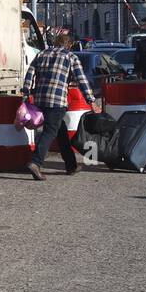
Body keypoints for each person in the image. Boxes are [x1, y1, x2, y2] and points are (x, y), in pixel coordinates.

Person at [21, 33, 97, 181]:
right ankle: (36, 162)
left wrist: (26, 94)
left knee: (60, 130)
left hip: (40, 99)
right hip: (57, 101)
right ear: (69, 45)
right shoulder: (70, 57)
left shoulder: (41, 54)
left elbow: (29, 74)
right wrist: (91, 101)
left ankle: (71, 165)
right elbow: (81, 80)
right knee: (50, 131)